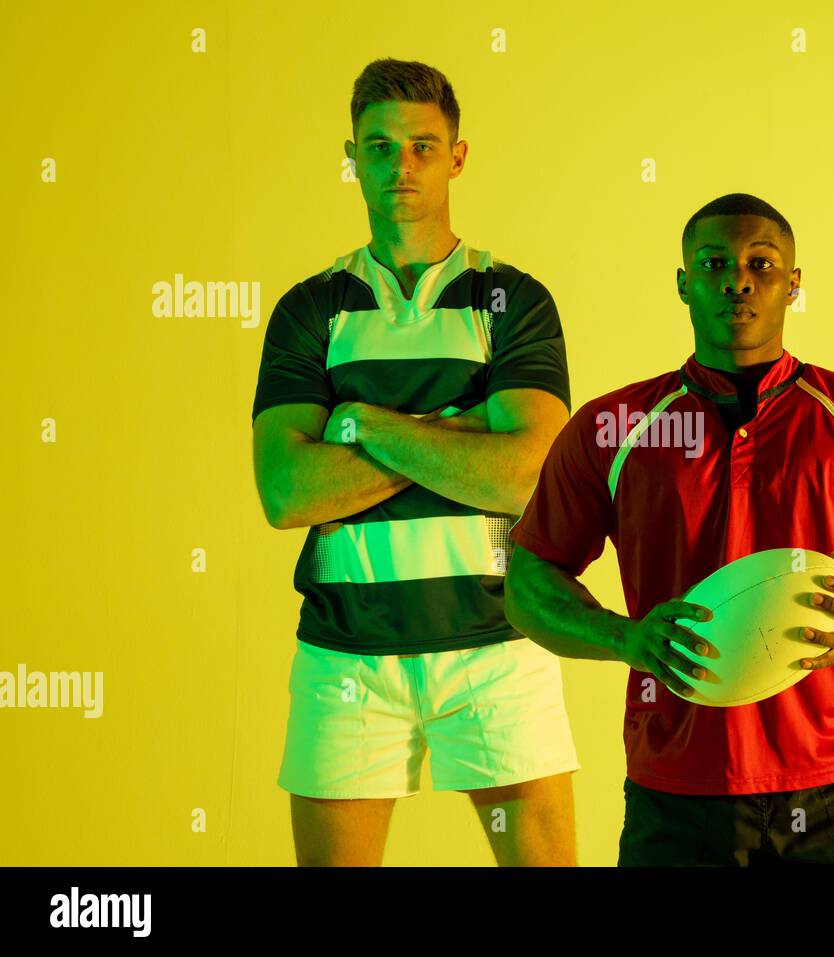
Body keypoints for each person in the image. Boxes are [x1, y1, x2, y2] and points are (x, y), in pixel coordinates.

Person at [504, 193, 834, 866]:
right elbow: (527, 583)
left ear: (794, 284)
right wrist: (627, 638)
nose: (739, 278)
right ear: (682, 283)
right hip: (677, 798)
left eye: (762, 263)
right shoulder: (612, 428)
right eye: (714, 263)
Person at [251, 58, 578, 866]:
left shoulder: (512, 298)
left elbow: (524, 473)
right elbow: (287, 491)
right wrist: (452, 431)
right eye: (380, 146)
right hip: (346, 654)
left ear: (457, 156)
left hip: (499, 641)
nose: (402, 166)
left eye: (423, 146)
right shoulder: (311, 307)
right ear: (353, 157)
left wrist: (362, 424)